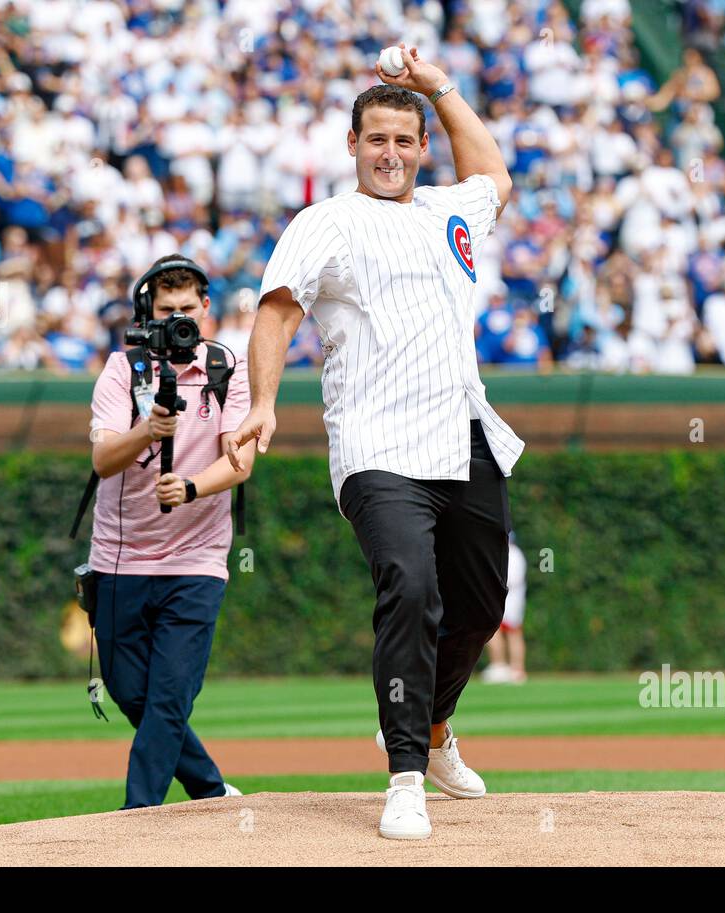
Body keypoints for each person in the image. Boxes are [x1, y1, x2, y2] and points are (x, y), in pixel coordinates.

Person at [226, 46, 524, 840]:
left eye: (403, 139)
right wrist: (261, 402)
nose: (389, 153)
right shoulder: (327, 221)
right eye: (375, 140)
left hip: (464, 436)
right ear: (351, 146)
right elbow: (279, 313)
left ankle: (432, 730)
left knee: (482, 606)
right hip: (376, 445)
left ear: (422, 148)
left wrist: (440, 87)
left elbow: (494, 174)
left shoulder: (447, 212)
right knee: (411, 589)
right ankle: (404, 776)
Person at [86, 255, 255, 809]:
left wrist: (189, 487)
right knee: (129, 691)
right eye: (166, 311)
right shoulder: (122, 368)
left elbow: (241, 461)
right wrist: (146, 432)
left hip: (197, 559)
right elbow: (104, 458)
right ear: (146, 312)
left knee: (169, 694)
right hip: (119, 557)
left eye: (187, 310)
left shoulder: (229, 369)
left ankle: (137, 816)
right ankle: (209, 789)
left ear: (205, 308)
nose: (177, 320)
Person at [481, 532, 528, 684]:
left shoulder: (512, 554)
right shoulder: (512, 553)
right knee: (505, 633)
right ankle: (506, 668)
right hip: (508, 601)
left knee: (502, 632)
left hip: (508, 602)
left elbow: (510, 580)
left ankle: (506, 667)